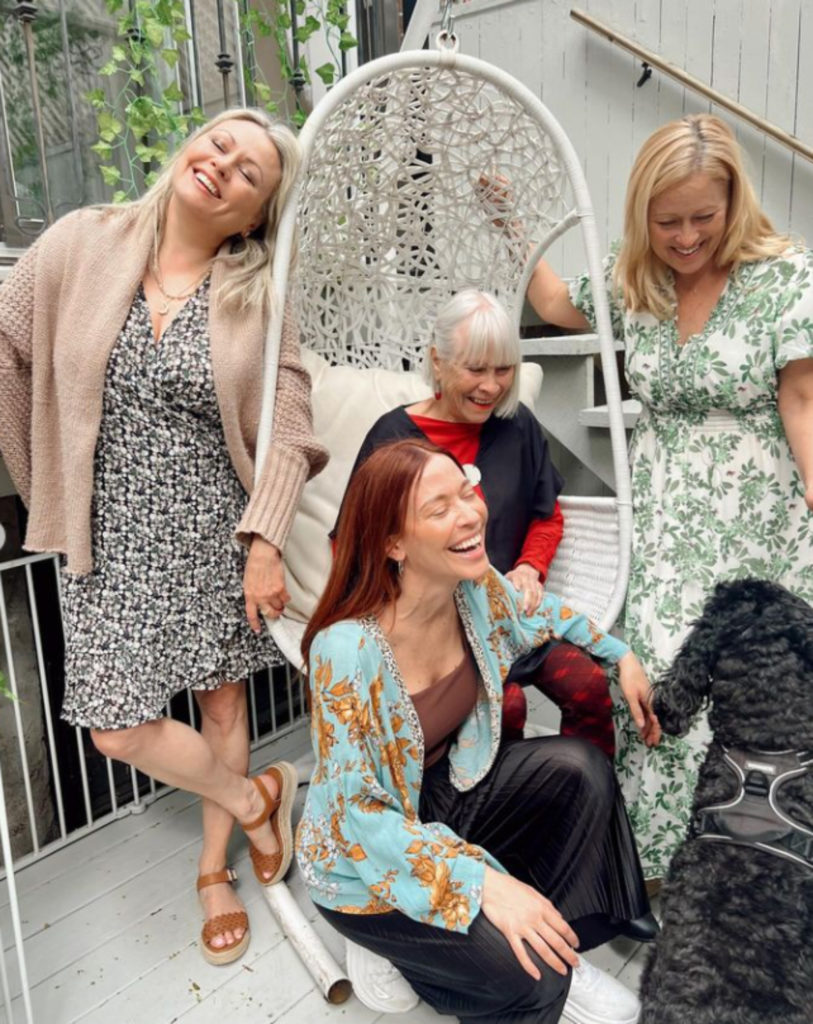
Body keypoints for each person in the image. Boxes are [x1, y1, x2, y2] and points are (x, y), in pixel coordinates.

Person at [0, 109, 328, 965]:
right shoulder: (81, 241)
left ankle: (213, 870)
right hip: (103, 537)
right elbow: (3, 344)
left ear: (255, 213)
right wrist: (41, 483)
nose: (222, 164)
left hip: (209, 528)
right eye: (218, 143)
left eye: (248, 169)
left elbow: (290, 425)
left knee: (222, 701)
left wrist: (262, 542)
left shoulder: (259, 295)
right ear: (190, 147)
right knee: (116, 724)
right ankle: (258, 802)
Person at [522, 113, 813, 882]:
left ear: (734, 203)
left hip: (758, 518)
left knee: (746, 693)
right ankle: (658, 860)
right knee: (647, 677)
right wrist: (510, 222)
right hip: (660, 514)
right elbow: (554, 304)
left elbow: (803, 399)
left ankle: (745, 862)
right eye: (666, 220)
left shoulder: (783, 277)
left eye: (702, 218)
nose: (684, 237)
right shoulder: (635, 276)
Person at [297, 438, 661, 1024]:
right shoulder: (348, 650)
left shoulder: (471, 587)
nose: (469, 514)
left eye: (466, 493)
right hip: (361, 861)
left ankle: (555, 941)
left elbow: (536, 615)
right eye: (438, 509)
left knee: (579, 770)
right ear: (393, 543)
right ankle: (405, 945)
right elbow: (362, 818)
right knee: (526, 980)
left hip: (438, 797)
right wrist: (483, 885)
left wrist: (620, 655)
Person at [341, 289, 645, 760]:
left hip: (509, 617)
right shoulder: (391, 438)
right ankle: (507, 813)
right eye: (475, 369)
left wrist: (530, 567)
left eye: (503, 370)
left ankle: (585, 806)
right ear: (437, 362)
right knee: (509, 705)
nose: (491, 386)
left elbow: (547, 514)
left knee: (587, 685)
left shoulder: (518, 425)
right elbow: (352, 546)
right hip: (429, 631)